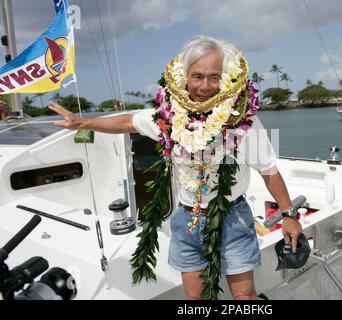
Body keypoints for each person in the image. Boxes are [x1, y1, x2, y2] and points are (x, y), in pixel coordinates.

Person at [49, 36, 302, 300]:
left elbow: (269, 171)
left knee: (244, 299)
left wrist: (288, 215)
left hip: (233, 218)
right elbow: (127, 122)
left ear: (225, 79)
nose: (205, 86)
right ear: (185, 78)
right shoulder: (168, 117)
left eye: (214, 77)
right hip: (187, 217)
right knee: (194, 300)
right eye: (197, 76)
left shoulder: (242, 121)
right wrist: (83, 124)